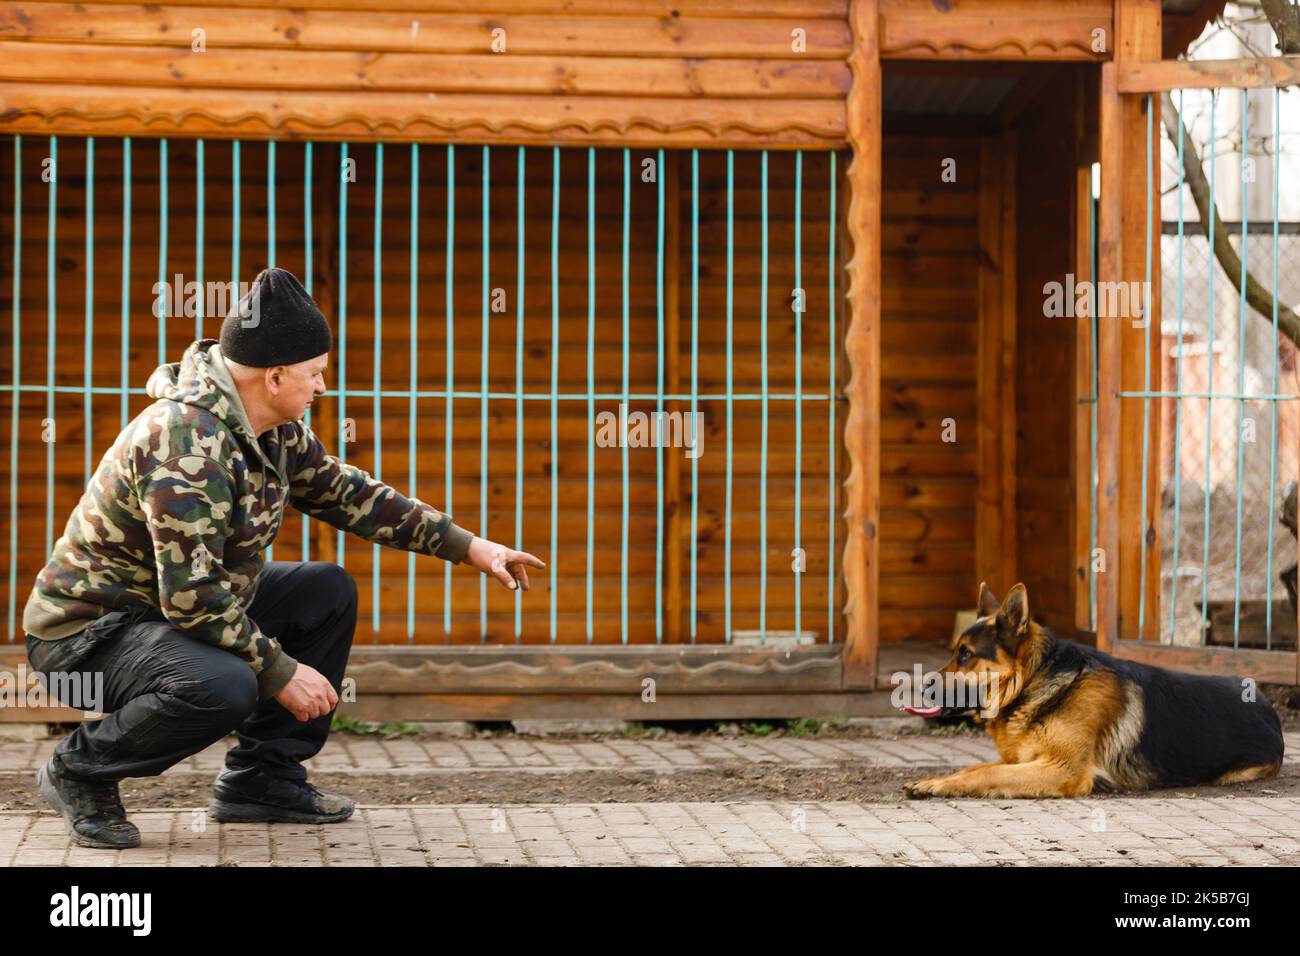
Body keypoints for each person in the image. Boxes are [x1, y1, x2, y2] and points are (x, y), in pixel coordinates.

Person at [22, 267, 544, 849]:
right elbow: (194, 599)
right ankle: (79, 771)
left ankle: (262, 780)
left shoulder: (276, 430)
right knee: (224, 684)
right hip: (88, 637)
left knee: (323, 590)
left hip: (167, 615)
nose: (323, 386)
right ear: (273, 376)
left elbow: (351, 495)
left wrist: (472, 547)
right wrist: (282, 671)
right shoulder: (184, 440)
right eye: (315, 373)